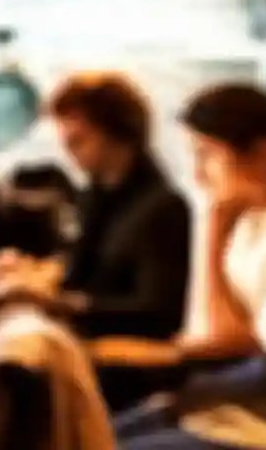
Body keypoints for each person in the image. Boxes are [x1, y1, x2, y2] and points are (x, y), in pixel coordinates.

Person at [108, 84, 266, 450]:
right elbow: (203, 333)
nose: (198, 175)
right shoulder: (249, 223)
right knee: (85, 435)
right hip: (228, 414)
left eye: (206, 155)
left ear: (261, 154)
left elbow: (233, 348)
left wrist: (211, 226)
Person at [47, 73, 192, 341]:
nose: (67, 150)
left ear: (119, 134)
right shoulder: (93, 198)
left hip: (126, 350)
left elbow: (159, 311)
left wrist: (68, 305)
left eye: (78, 140)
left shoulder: (163, 209)